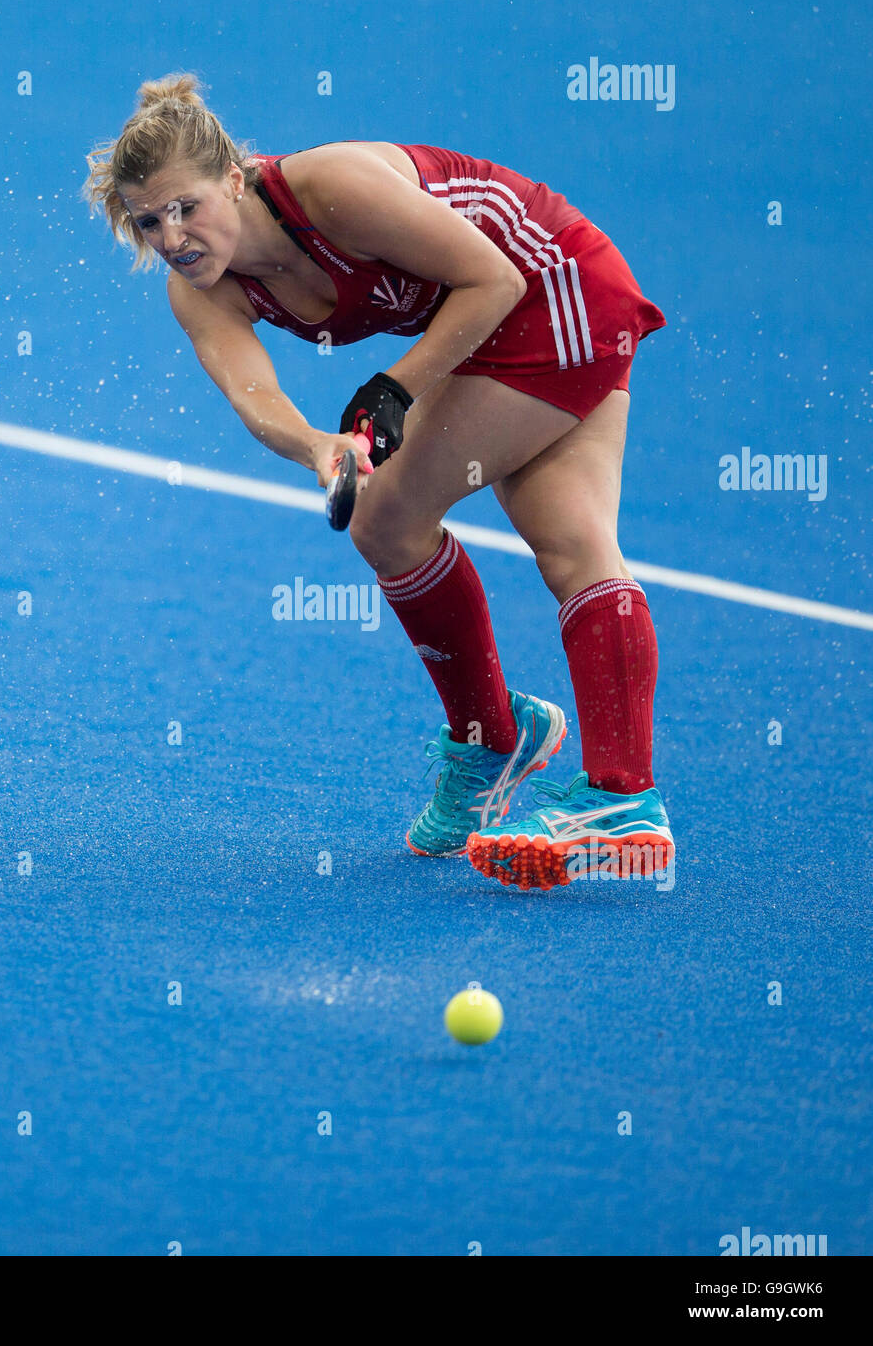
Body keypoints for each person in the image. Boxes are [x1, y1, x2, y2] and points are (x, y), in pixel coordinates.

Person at [84, 72, 675, 891]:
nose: (174, 235)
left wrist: (395, 389)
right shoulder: (203, 292)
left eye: (187, 207)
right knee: (570, 541)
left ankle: (500, 747)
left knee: (387, 520)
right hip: (503, 318)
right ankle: (618, 799)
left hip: (554, 285)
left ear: (233, 176)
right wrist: (319, 449)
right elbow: (258, 402)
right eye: (150, 222)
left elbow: (495, 279)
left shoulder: (331, 187)